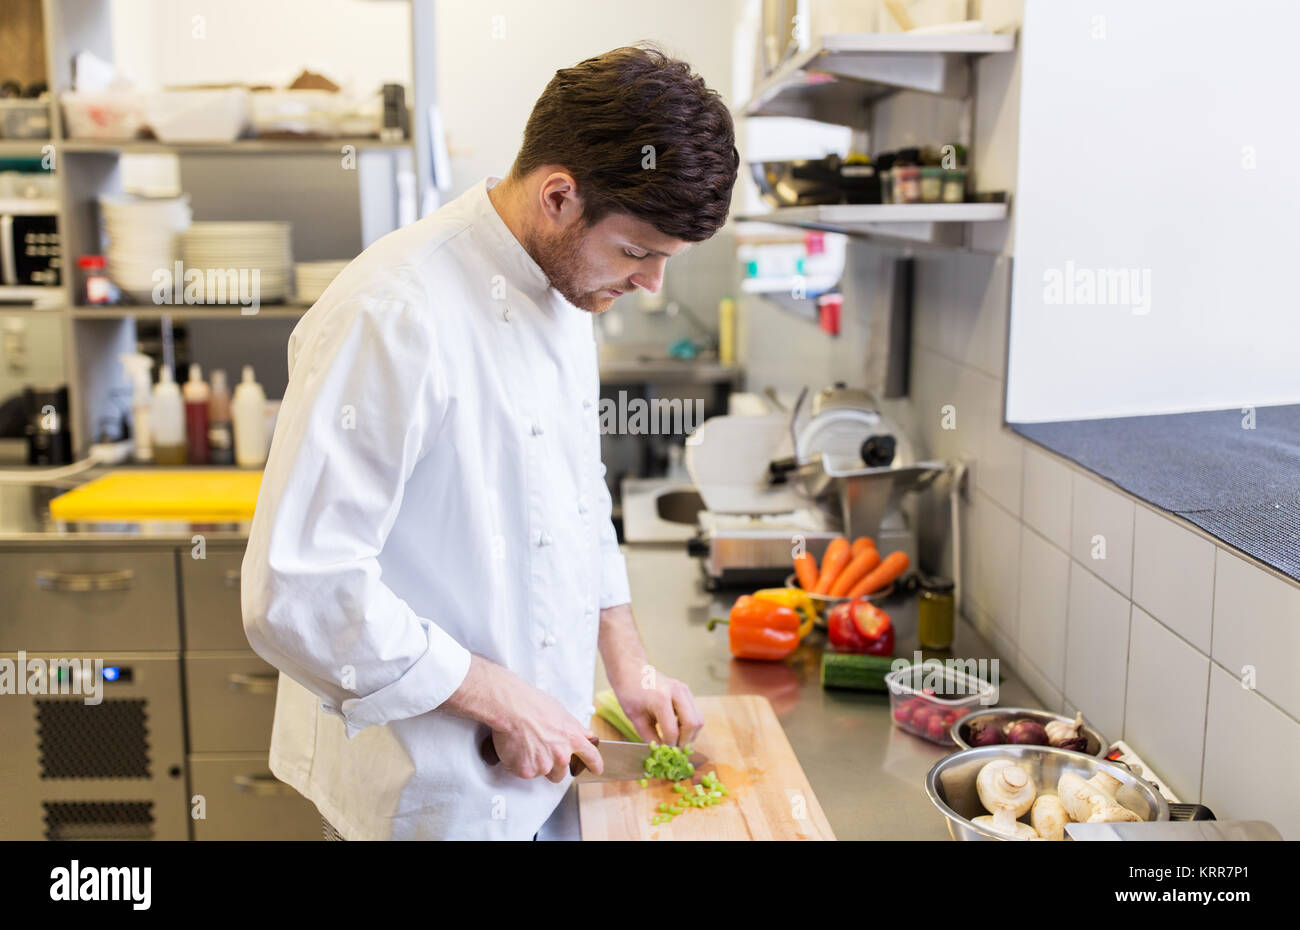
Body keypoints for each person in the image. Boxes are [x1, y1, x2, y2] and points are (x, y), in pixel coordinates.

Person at [240, 45, 739, 840]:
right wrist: (498, 696)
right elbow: (298, 588)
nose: (652, 285)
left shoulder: (569, 291)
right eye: (639, 252)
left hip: (543, 775)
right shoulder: (394, 311)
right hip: (423, 796)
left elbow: (579, 497)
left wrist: (628, 661)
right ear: (559, 196)